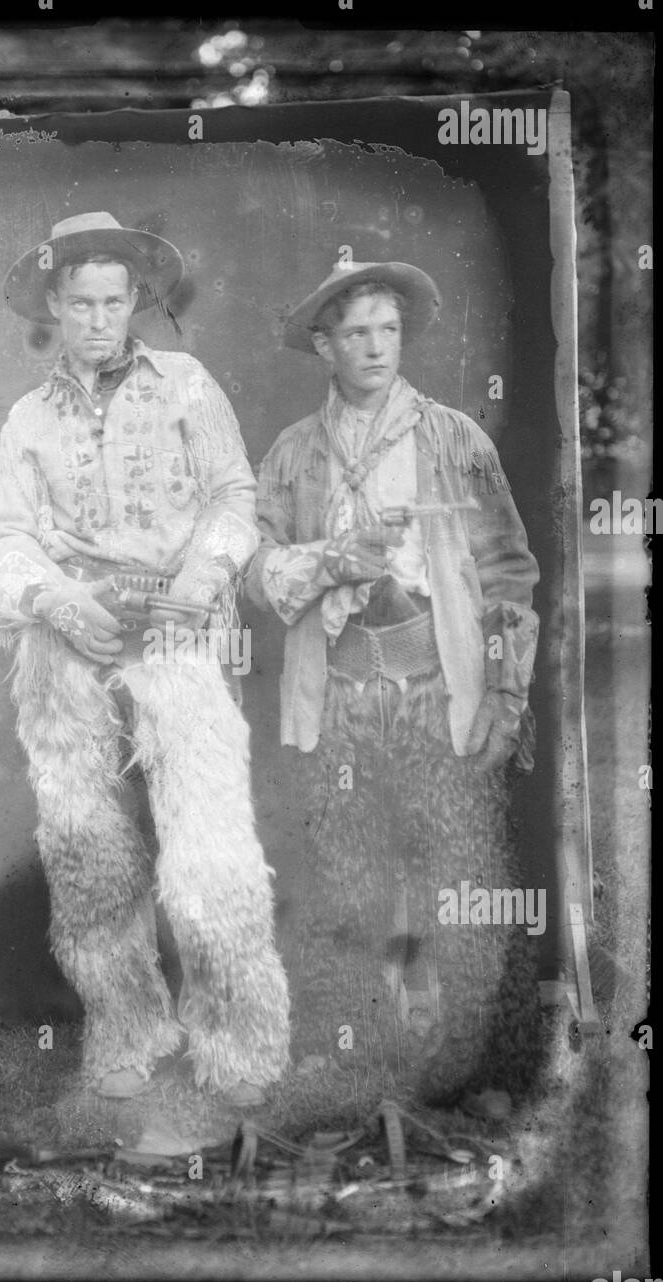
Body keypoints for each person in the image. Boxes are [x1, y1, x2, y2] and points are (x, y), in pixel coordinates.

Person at [0, 211, 290, 1106]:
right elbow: (5, 543)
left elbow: (237, 496)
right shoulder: (27, 419)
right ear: (54, 303)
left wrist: (204, 572)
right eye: (79, 302)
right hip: (67, 647)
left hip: (179, 632)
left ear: (135, 303)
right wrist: (54, 599)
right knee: (88, 856)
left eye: (113, 301)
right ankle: (126, 1029)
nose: (97, 319)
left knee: (207, 855)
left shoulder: (187, 384)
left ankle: (238, 1045)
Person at [245, 252, 542, 1110]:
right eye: (355, 331)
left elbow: (509, 574)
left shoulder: (454, 440)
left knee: (461, 876)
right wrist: (328, 558)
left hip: (433, 692)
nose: (376, 348)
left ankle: (477, 1069)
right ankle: (361, 1067)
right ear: (323, 344)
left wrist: (504, 691)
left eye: (388, 329)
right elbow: (252, 570)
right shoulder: (295, 456)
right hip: (338, 698)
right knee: (348, 884)